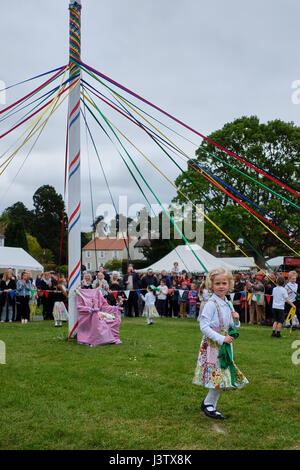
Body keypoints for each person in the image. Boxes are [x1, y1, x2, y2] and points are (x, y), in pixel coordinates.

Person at [193, 267, 248, 419]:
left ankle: (209, 404)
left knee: (222, 374)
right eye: (217, 283)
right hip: (213, 345)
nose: (221, 286)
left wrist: (236, 319)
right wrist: (221, 338)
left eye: (224, 283)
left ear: (230, 284)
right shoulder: (210, 304)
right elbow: (204, 326)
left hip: (226, 344)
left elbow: (231, 325)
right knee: (218, 374)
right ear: (211, 285)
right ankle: (209, 405)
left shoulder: (228, 302)